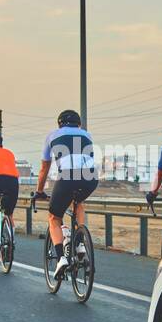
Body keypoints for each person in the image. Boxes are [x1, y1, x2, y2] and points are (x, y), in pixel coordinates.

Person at [34, 109, 97, 279]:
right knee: (78, 203)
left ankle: (61, 258)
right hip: (91, 178)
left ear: (59, 124)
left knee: (54, 218)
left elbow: (44, 168)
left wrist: (39, 191)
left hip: (68, 177)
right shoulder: (87, 135)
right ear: (79, 124)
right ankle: (80, 243)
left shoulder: (51, 135)